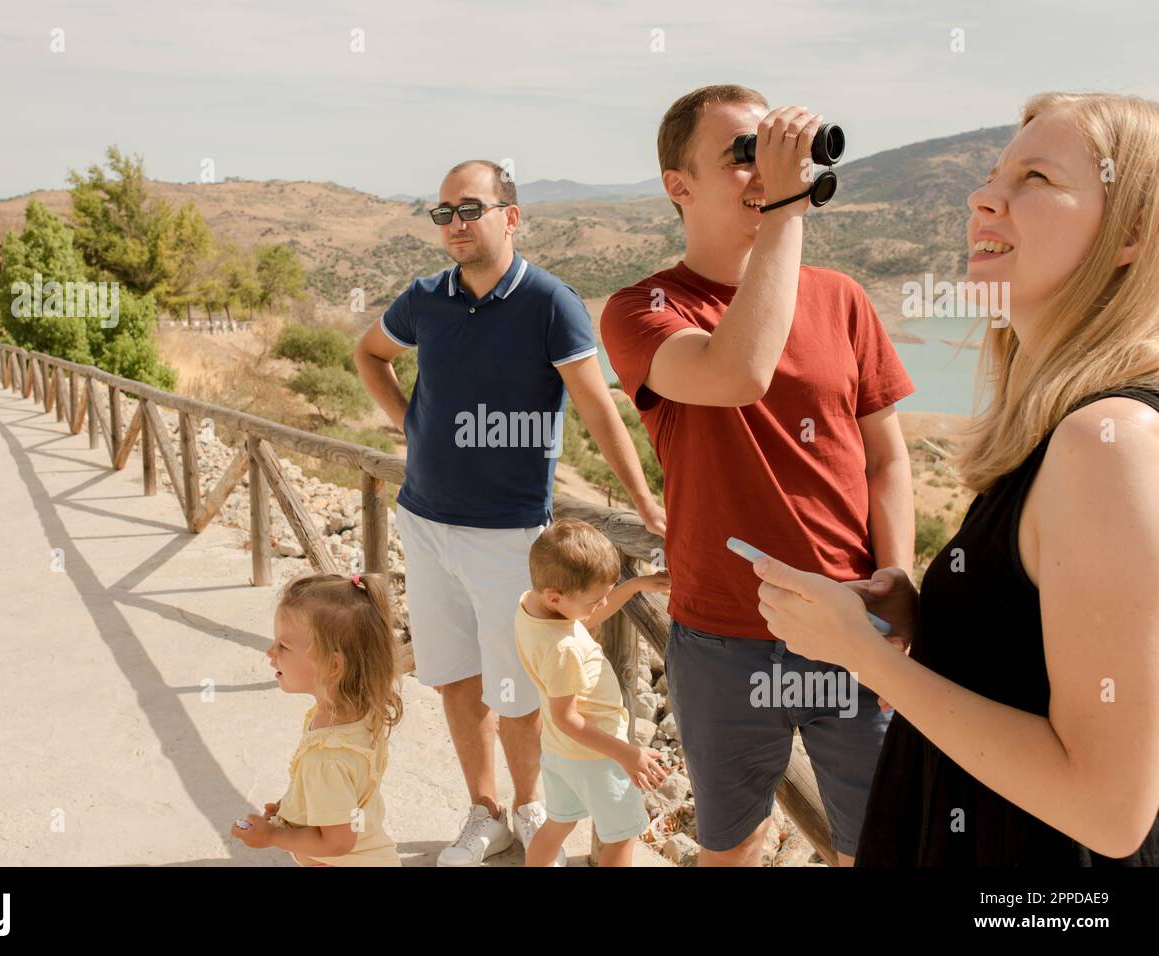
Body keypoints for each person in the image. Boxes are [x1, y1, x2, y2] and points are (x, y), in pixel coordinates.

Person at [749, 91, 1159, 865]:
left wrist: (860, 656)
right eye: (995, 173)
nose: (983, 196)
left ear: (1132, 231)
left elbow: (1109, 812)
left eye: (1035, 177)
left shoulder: (1109, 443)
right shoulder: (1074, 429)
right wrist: (929, 618)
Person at [600, 85, 916, 866]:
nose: (768, 168)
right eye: (744, 153)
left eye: (773, 149)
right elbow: (738, 370)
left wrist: (898, 571)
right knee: (732, 847)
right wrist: (786, 215)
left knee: (876, 846)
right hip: (723, 639)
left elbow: (886, 457)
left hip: (854, 628)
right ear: (680, 186)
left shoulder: (841, 299)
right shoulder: (642, 309)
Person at [354, 160, 666, 866]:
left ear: (511, 216)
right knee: (456, 674)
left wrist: (646, 500)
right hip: (424, 520)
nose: (456, 224)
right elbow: (370, 355)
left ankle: (531, 809)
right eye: (444, 214)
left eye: (471, 208)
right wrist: (413, 427)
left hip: (510, 534)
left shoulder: (552, 303)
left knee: (517, 685)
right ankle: (485, 809)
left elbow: (596, 407)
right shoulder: (425, 299)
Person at [514, 518, 672, 866]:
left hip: (559, 752)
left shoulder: (532, 607)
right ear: (556, 597)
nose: (600, 607)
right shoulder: (564, 649)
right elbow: (566, 717)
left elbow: (579, 618)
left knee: (557, 824)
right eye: (595, 600)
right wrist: (626, 753)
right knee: (622, 836)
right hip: (596, 756)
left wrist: (636, 585)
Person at [231, 572, 404, 866]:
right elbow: (348, 792)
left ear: (333, 664)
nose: (270, 652)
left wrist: (271, 836)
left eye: (284, 646)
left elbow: (337, 842)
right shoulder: (355, 716)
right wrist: (296, 806)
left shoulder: (326, 758)